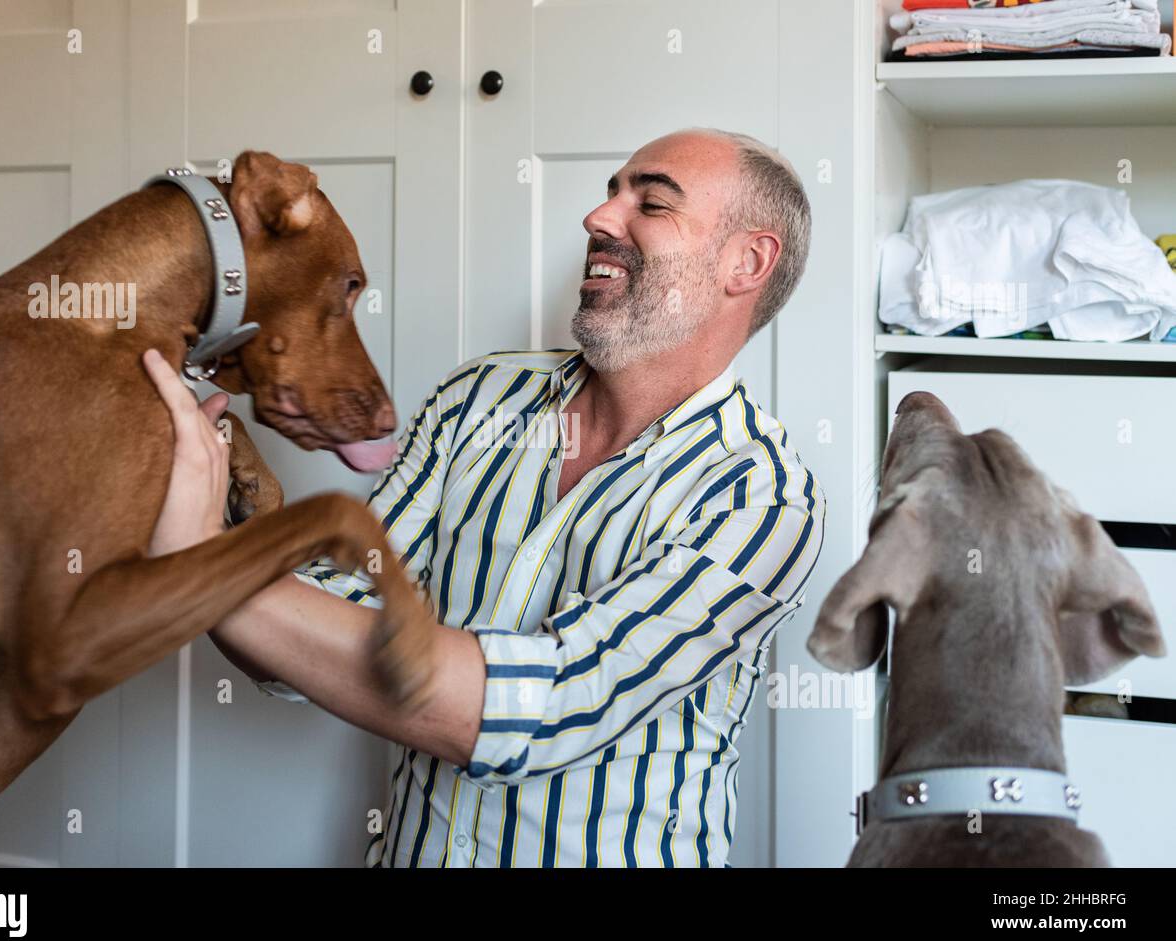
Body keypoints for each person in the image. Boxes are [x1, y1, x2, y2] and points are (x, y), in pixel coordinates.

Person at [144, 127, 826, 867]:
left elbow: (547, 709)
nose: (598, 218)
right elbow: (316, 633)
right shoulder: (480, 400)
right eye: (610, 192)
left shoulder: (761, 498)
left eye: (652, 201)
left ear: (746, 262)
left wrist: (201, 565)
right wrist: (222, 521)